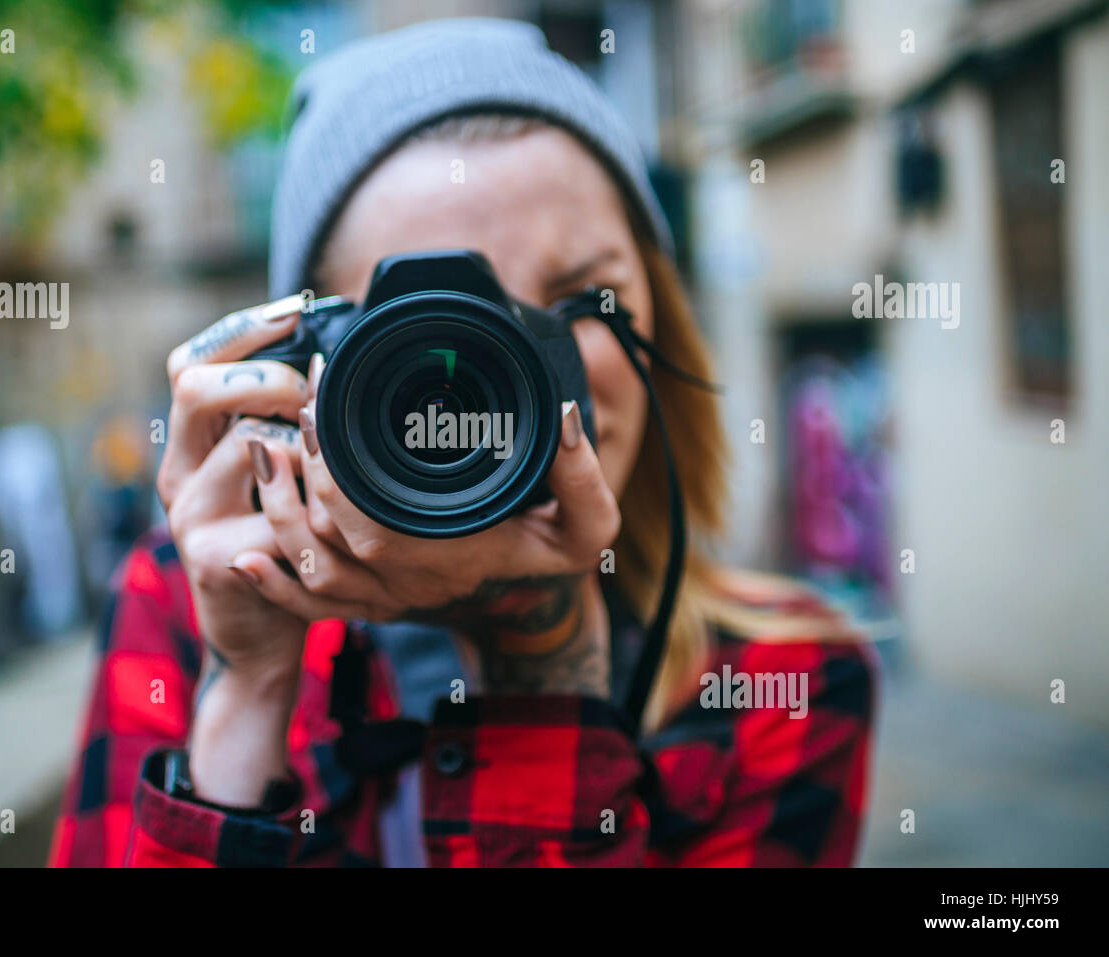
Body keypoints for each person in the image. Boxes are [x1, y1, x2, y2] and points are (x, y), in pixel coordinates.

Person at [50, 18, 875, 868]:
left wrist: (540, 649)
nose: (512, 375)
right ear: (312, 365)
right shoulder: (192, 600)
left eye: (583, 299)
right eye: (438, 321)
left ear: (662, 315)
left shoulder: (791, 683)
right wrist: (247, 690)